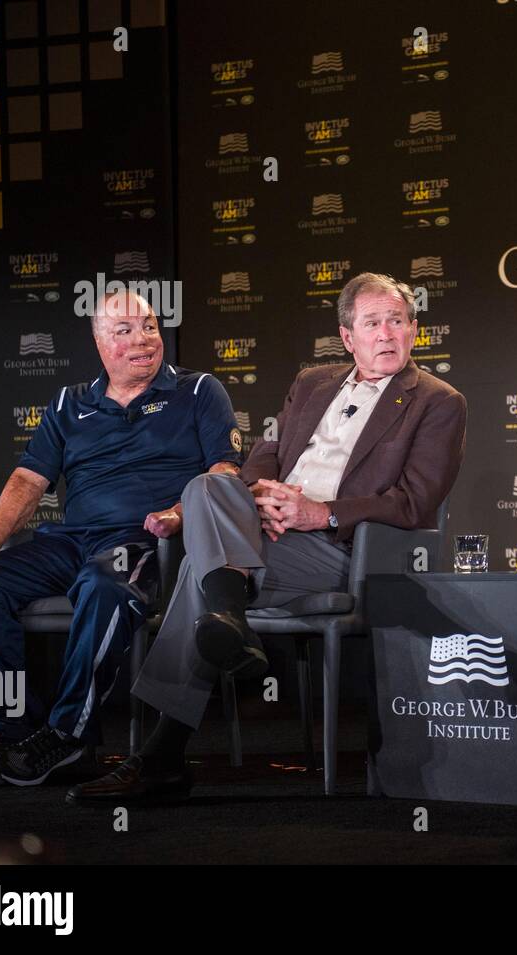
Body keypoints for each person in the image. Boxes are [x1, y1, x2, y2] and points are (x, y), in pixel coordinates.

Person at [68, 272, 466, 803]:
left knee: (196, 571)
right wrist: (261, 497)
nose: (386, 333)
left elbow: (414, 501)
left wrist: (318, 513)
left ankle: (170, 739)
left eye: (397, 321)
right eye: (373, 323)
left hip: (344, 550)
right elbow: (264, 455)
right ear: (348, 337)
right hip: (266, 532)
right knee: (209, 485)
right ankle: (225, 620)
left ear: (414, 330)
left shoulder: (438, 401)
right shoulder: (311, 384)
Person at [0, 291, 241, 786]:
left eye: (149, 326)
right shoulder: (69, 401)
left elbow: (225, 472)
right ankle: (10, 733)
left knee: (105, 586)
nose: (142, 340)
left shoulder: (198, 391)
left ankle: (67, 737)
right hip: (69, 541)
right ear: (100, 342)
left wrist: (177, 512)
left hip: (143, 539)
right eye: (124, 330)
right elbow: (29, 479)